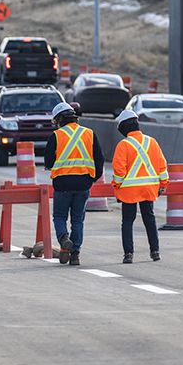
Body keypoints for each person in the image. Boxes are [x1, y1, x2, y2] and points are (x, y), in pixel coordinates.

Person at [25, 101, 104, 265]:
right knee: (77, 220)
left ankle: (64, 238)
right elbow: (99, 159)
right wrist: (92, 179)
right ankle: (74, 254)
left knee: (60, 216)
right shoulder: (89, 133)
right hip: (83, 183)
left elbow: (48, 162)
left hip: (62, 184)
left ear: (59, 120)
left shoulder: (56, 135)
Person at [111, 109, 169, 264]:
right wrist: (163, 184)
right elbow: (162, 166)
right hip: (149, 188)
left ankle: (128, 254)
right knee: (149, 219)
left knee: (128, 221)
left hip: (129, 191)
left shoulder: (123, 145)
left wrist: (117, 187)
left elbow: (119, 172)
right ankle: (155, 251)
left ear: (123, 127)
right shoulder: (152, 142)